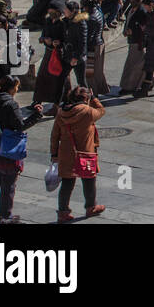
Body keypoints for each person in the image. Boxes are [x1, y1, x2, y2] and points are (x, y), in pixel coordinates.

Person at [0, 75, 44, 224]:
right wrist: (37, 115)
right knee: (8, 184)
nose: (17, 90)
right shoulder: (9, 104)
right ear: (11, 88)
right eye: (17, 87)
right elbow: (20, 126)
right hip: (5, 151)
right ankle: (5, 217)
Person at [51, 86, 107, 223]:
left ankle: (62, 212)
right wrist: (94, 99)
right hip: (85, 152)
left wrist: (54, 153)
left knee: (67, 183)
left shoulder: (61, 113)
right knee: (89, 180)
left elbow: (54, 135)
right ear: (86, 99)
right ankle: (90, 207)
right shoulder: (88, 112)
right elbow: (101, 111)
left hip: (66, 153)